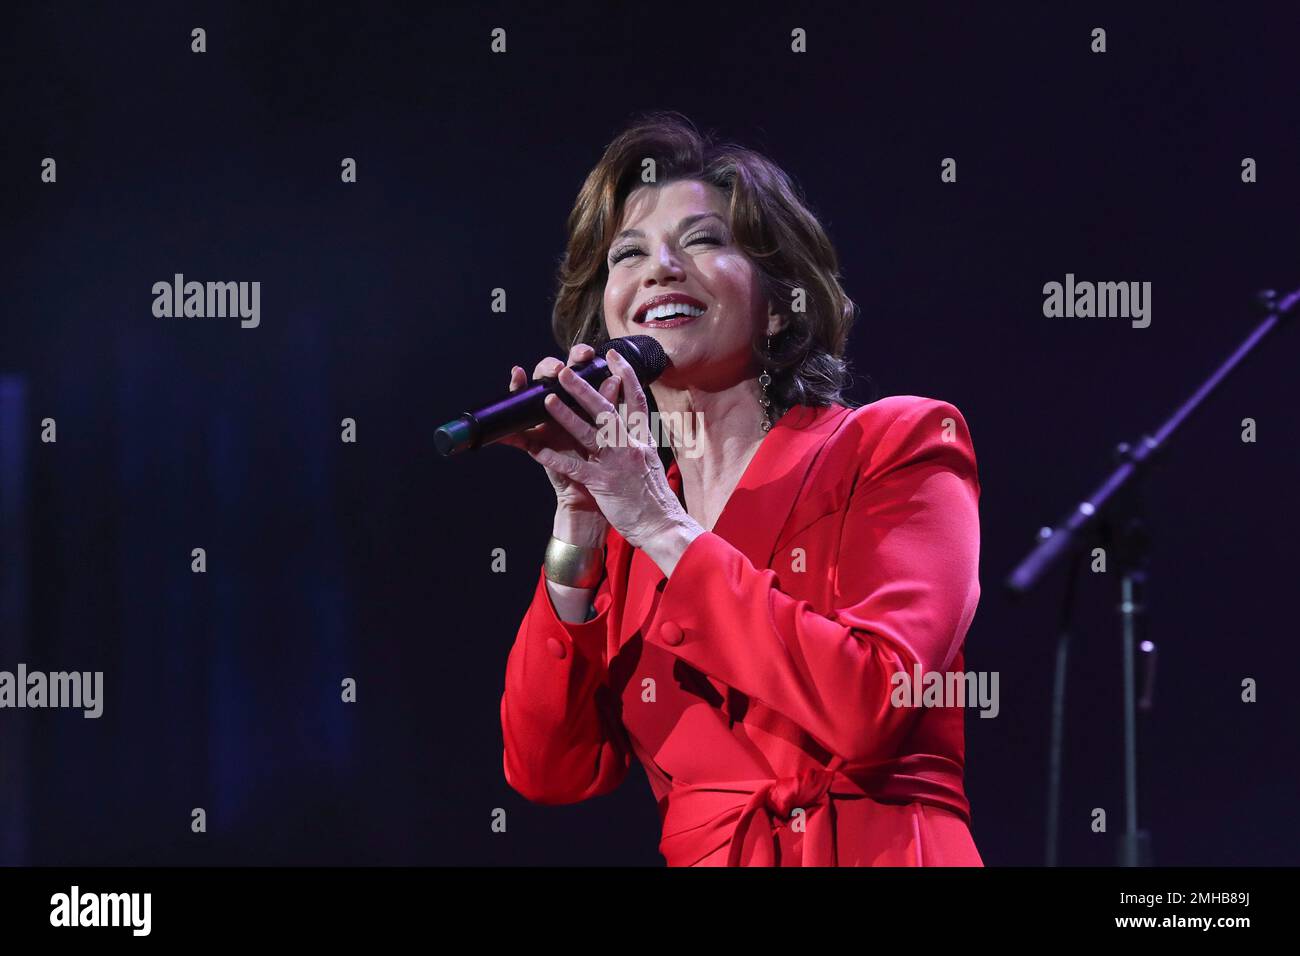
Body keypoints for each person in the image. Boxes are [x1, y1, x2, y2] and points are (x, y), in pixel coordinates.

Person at [498, 111, 983, 866]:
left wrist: (660, 526)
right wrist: (579, 527)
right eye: (629, 254)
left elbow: (873, 703)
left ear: (780, 297)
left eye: (703, 241)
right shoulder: (623, 531)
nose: (660, 268)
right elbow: (549, 770)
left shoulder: (897, 444)